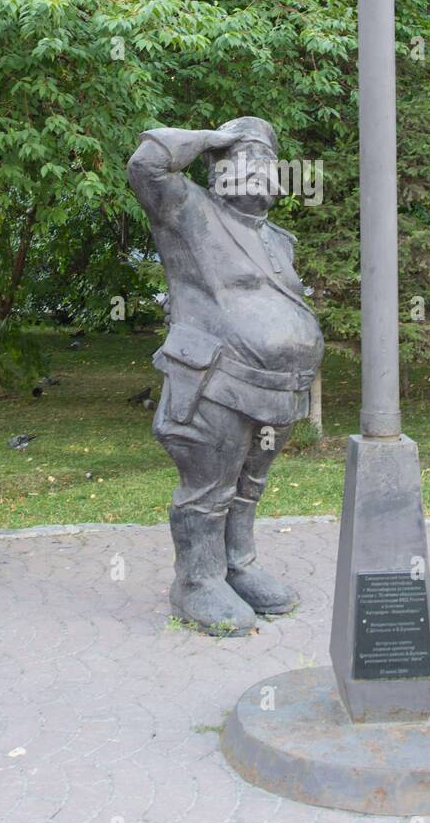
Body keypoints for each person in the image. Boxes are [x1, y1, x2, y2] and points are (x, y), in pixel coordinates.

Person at [127, 117, 324, 634]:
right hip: (214, 380)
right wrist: (214, 138)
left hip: (276, 390)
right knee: (209, 486)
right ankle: (197, 582)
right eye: (240, 159)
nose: (252, 170)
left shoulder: (279, 239)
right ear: (217, 169)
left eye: (262, 160)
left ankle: (238, 566)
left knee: (249, 483)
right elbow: (146, 164)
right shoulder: (187, 211)